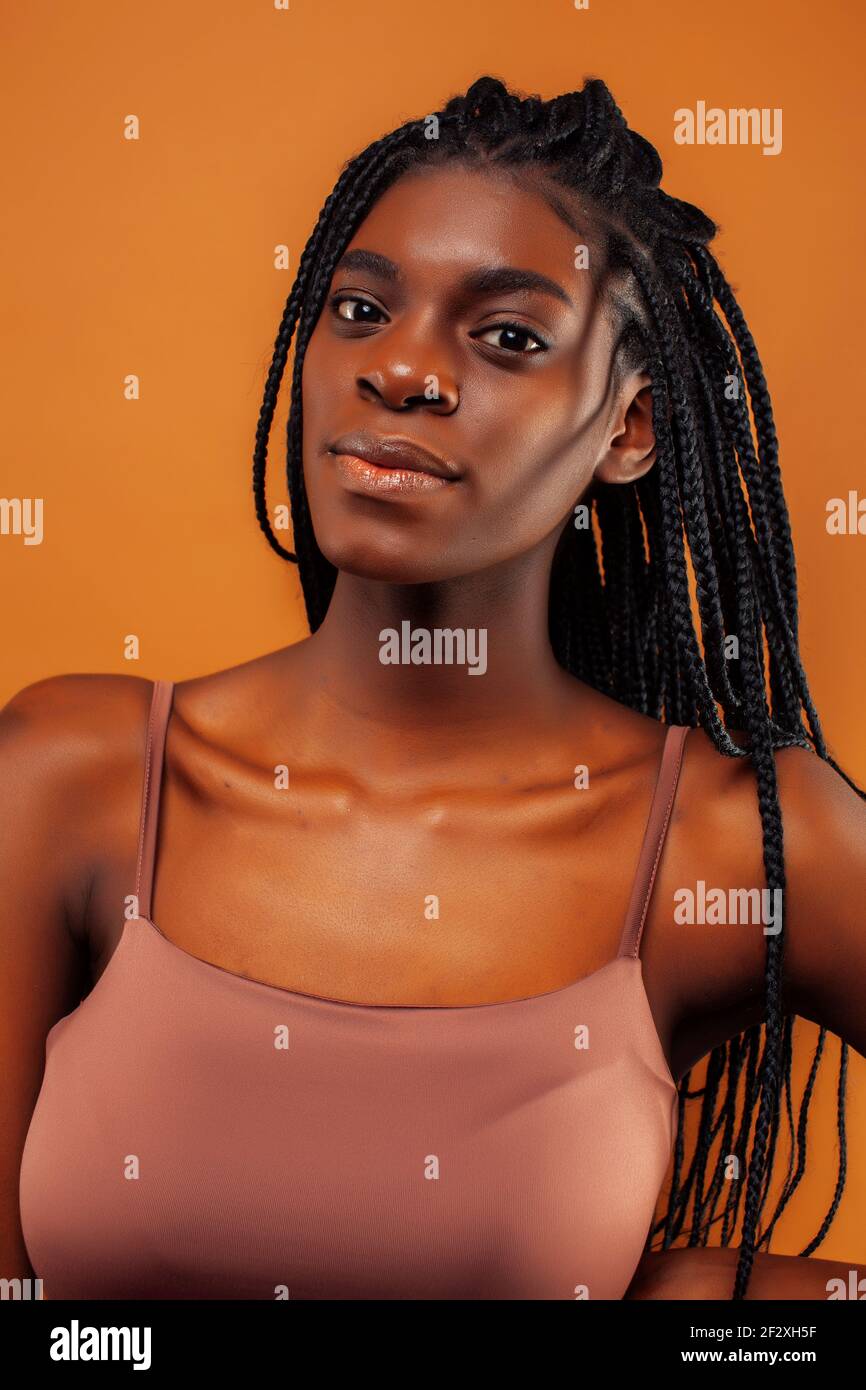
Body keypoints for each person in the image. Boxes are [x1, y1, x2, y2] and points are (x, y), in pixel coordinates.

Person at [4, 75, 866, 1301]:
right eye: (358, 308)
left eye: (506, 335)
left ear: (628, 430)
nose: (401, 369)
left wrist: (700, 1313)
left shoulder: (724, 845)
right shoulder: (71, 777)